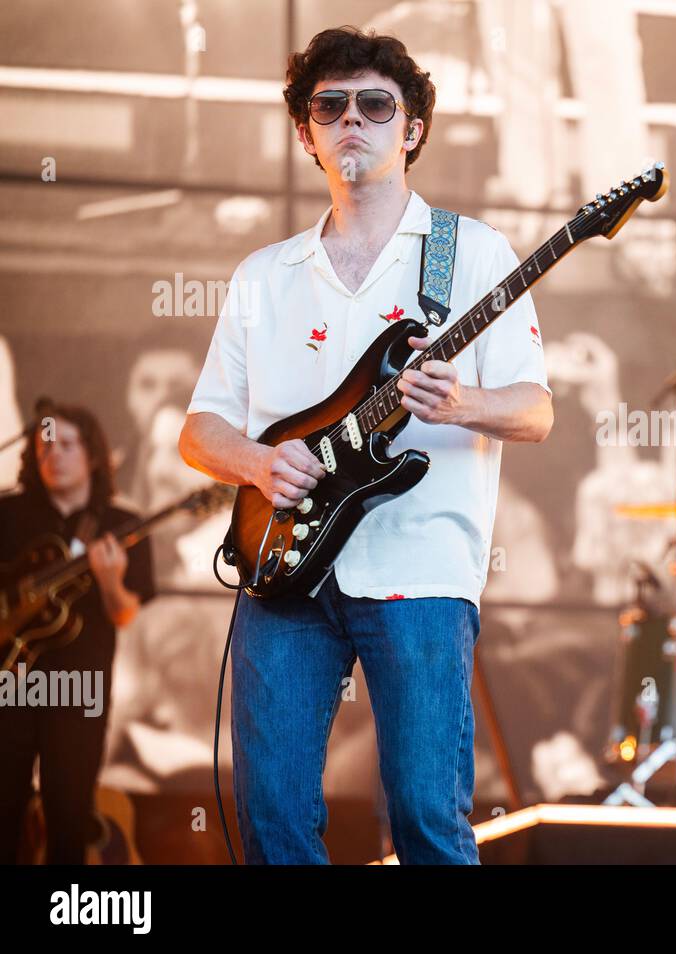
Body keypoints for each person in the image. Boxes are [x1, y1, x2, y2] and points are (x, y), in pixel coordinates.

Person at [177, 27, 552, 864]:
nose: (353, 120)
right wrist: (261, 463)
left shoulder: (475, 253)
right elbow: (199, 428)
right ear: (307, 132)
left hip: (418, 572)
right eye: (330, 106)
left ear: (410, 129)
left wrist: (462, 403)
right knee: (273, 819)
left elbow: (536, 412)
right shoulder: (263, 275)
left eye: (376, 105)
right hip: (282, 569)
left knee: (425, 817)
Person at [0, 405, 156, 864]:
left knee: (68, 817)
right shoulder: (7, 514)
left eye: (67, 445)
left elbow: (125, 614)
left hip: (79, 690)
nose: (55, 455)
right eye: (45, 446)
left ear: (92, 456)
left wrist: (110, 581)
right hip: (9, 685)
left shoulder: (122, 524)